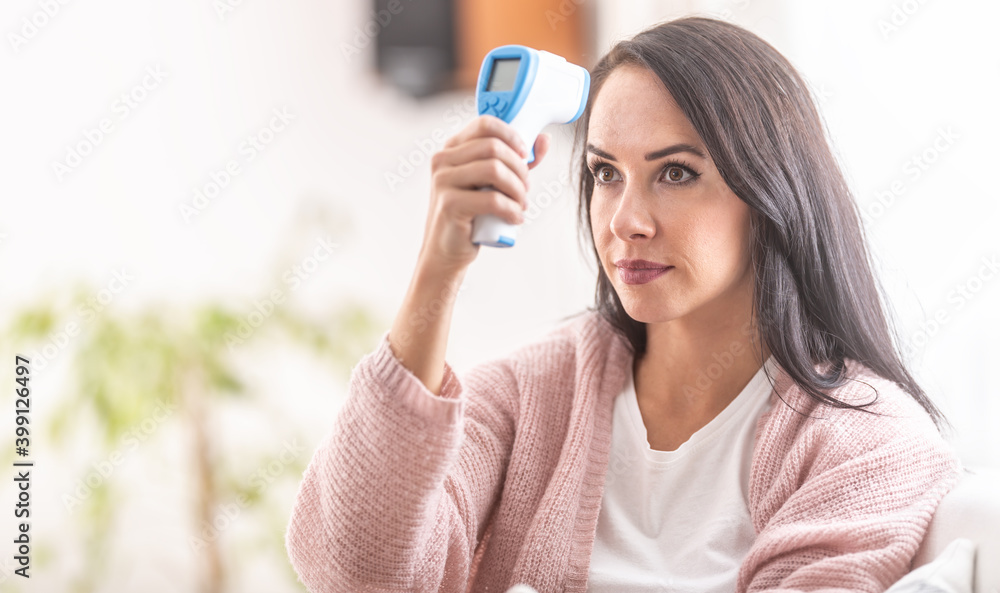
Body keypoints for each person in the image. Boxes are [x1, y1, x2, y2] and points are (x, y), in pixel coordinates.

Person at [285, 16, 961, 593]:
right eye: (605, 173)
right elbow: (355, 572)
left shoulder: (871, 446)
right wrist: (438, 272)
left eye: (676, 173)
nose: (626, 220)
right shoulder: (533, 396)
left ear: (770, 195)